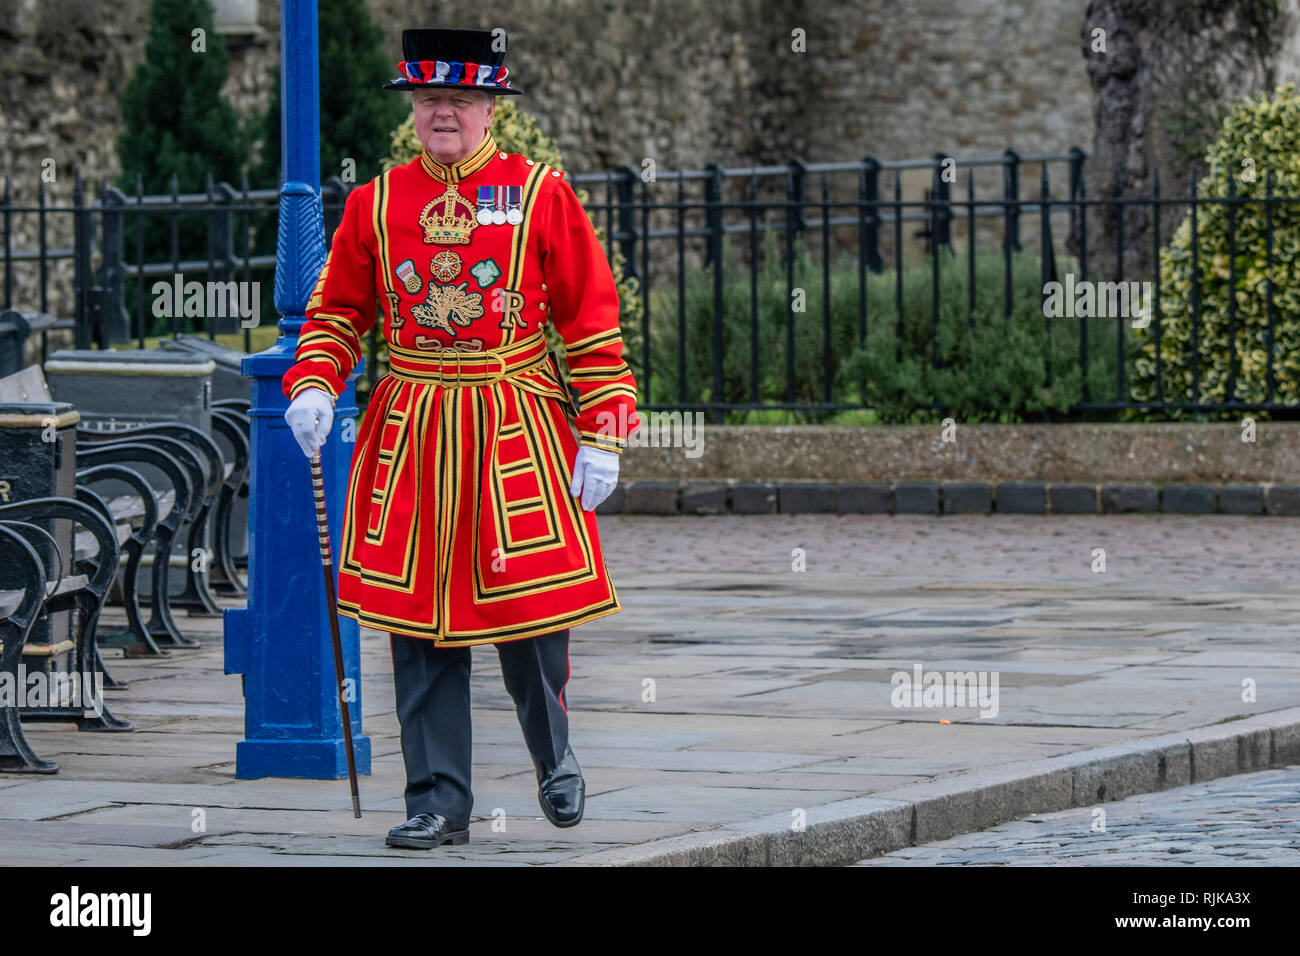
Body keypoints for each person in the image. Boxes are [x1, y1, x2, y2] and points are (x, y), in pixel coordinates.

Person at [281, 27, 640, 849]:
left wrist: (605, 429)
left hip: (513, 420)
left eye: (461, 99)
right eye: (430, 99)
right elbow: (339, 312)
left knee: (534, 609)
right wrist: (311, 380)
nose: (444, 112)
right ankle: (439, 800)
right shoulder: (377, 200)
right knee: (420, 625)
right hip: (412, 431)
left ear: (490, 110)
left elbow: (591, 318)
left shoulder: (539, 192)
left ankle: (554, 752)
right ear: (413, 107)